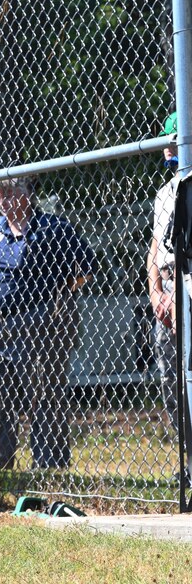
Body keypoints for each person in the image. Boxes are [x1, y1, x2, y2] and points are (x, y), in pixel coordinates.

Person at [0, 177, 97, 478]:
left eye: (10, 195)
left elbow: (85, 268)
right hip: (0, 326)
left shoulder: (54, 228)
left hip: (44, 325)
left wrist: (60, 297)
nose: (3, 203)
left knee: (46, 394)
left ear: (28, 196)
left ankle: (49, 468)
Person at [146, 112, 180, 429]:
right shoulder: (165, 193)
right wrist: (157, 293)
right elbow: (156, 247)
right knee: (170, 377)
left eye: (173, 141)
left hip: (188, 285)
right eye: (164, 143)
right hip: (167, 288)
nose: (167, 149)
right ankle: (189, 454)